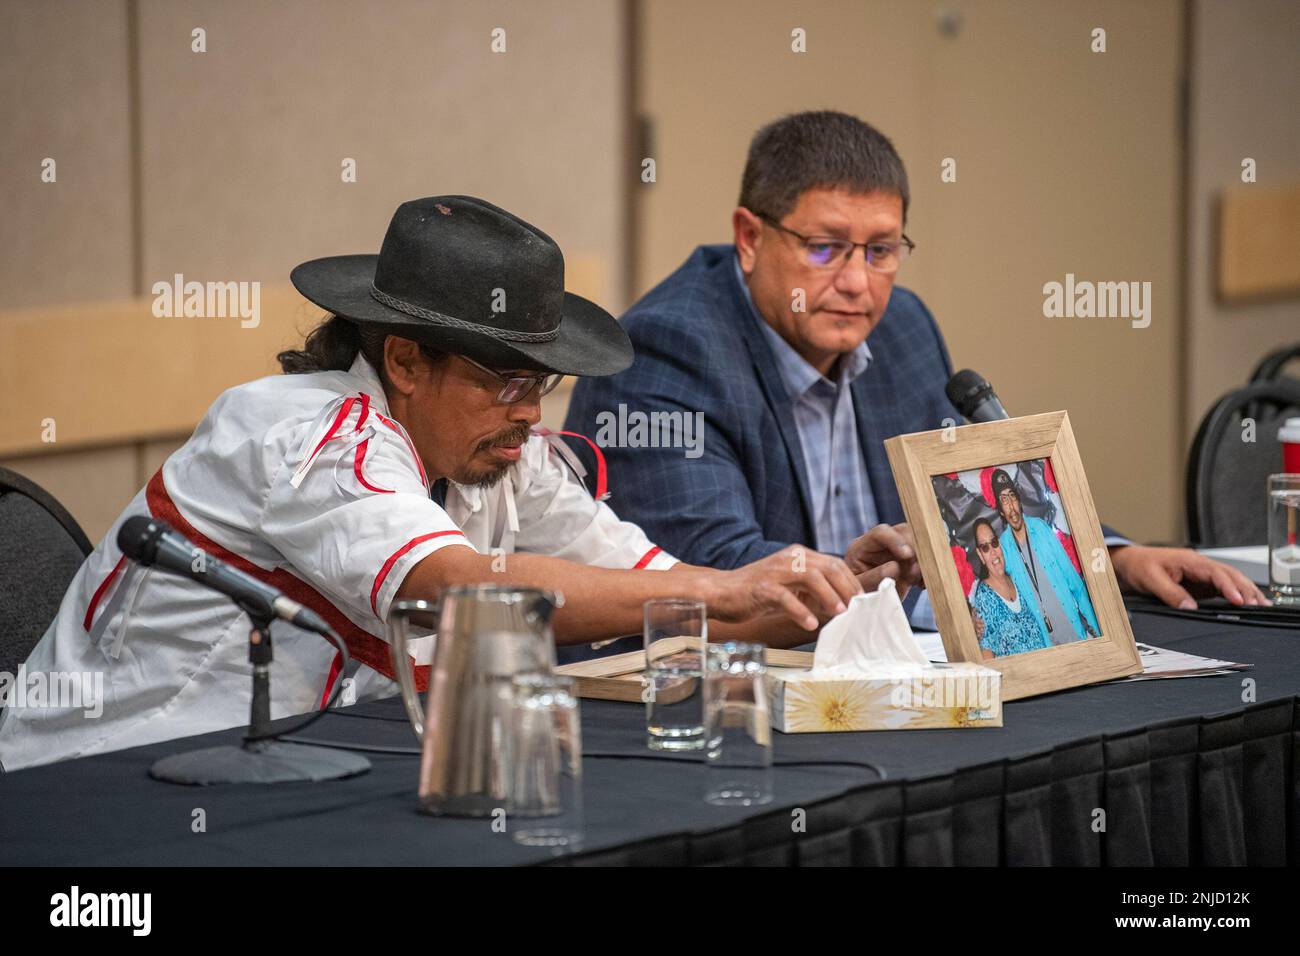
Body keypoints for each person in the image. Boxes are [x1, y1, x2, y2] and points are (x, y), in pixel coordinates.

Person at [0, 196, 862, 771]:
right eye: (507, 379)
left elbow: (653, 588)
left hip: (289, 771)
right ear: (405, 361)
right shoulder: (299, 434)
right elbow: (455, 590)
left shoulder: (491, 449)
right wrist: (725, 586)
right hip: (99, 784)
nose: (531, 414)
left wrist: (827, 588)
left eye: (542, 383)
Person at [563, 110, 1269, 640]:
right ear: (750, 238)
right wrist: (874, 583)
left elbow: (972, 504)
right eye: (824, 248)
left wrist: (1110, 556)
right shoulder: (665, 351)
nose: (856, 283)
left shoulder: (902, 327)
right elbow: (729, 584)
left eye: (881, 250)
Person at [989, 469, 1099, 645]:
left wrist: (1100, 634)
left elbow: (1075, 585)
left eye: (1012, 497)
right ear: (1001, 511)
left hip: (1075, 635)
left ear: (1019, 501)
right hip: (1043, 646)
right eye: (1004, 500)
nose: (1011, 506)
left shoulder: (1041, 528)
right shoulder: (1002, 549)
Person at [968, 518, 1052, 658]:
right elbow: (987, 653)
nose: (993, 552)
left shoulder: (1018, 580)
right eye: (985, 547)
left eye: (994, 543)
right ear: (980, 555)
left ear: (999, 544)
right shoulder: (984, 597)